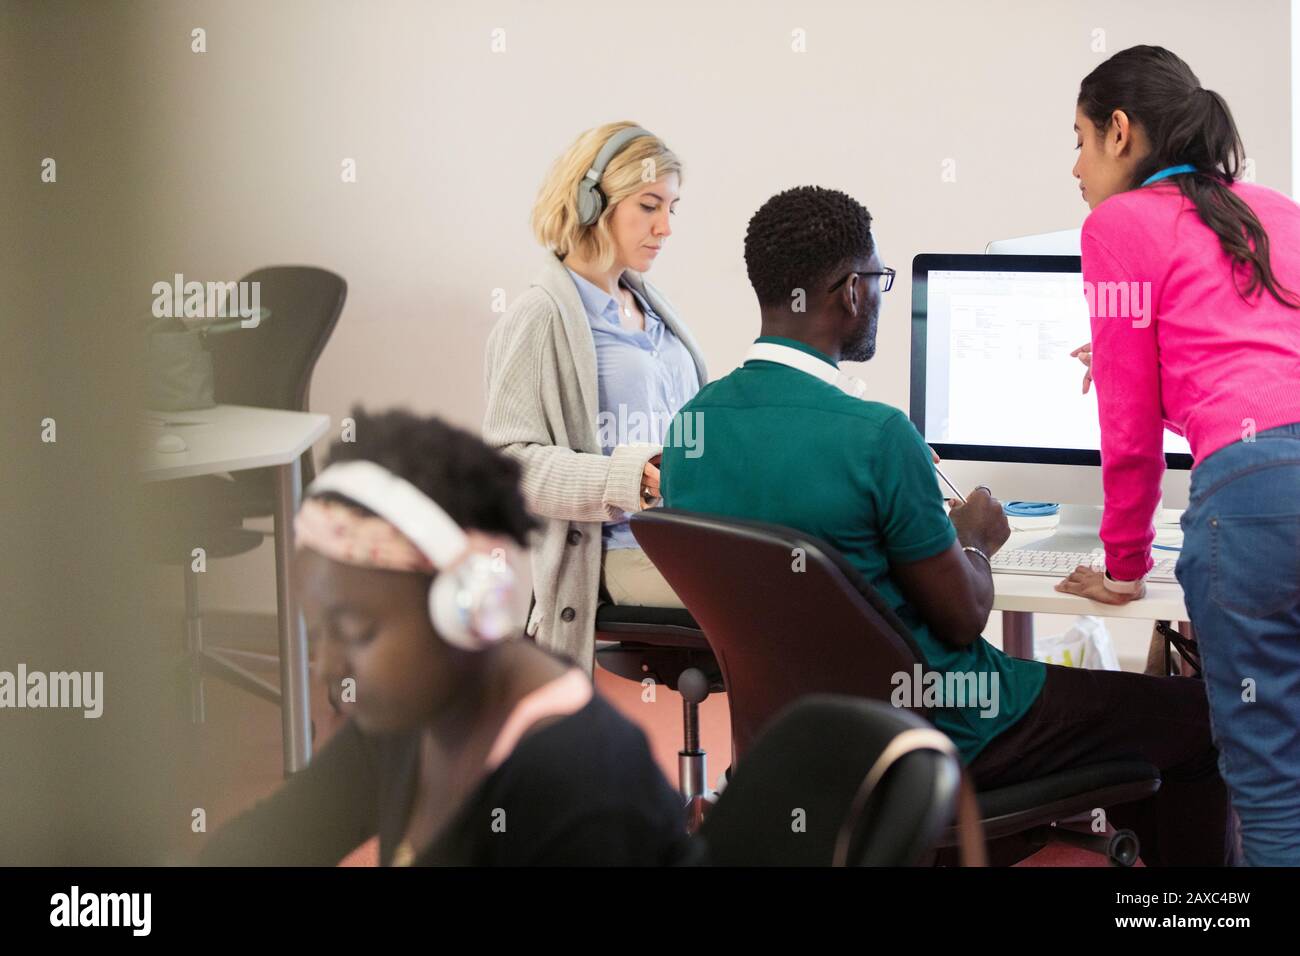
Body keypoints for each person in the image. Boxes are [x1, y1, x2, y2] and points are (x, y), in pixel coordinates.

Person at [661, 185, 1231, 865]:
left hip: (788, 741)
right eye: (879, 281)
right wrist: (976, 534)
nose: (880, 298)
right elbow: (964, 617)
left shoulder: (693, 426)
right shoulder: (877, 436)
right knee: (1207, 717)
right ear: (849, 291)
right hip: (951, 723)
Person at [199, 409, 687, 866]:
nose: (326, 668)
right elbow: (264, 845)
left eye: (356, 631)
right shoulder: (406, 717)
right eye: (320, 632)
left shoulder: (582, 786)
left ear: (469, 605)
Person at [1054, 45, 1300, 865]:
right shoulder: (1277, 209)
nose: (1077, 167)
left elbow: (1127, 430)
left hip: (1255, 506)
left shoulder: (1117, 225)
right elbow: (1259, 366)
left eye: (1082, 139)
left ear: (1121, 132)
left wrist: (1124, 565)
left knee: (1267, 780)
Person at [483, 121, 706, 673]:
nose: (666, 227)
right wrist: (627, 477)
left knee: (824, 564)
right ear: (590, 203)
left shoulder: (652, 307)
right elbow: (511, 468)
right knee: (787, 595)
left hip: (688, 533)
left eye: (672, 209)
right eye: (650, 205)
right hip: (623, 550)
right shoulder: (541, 318)